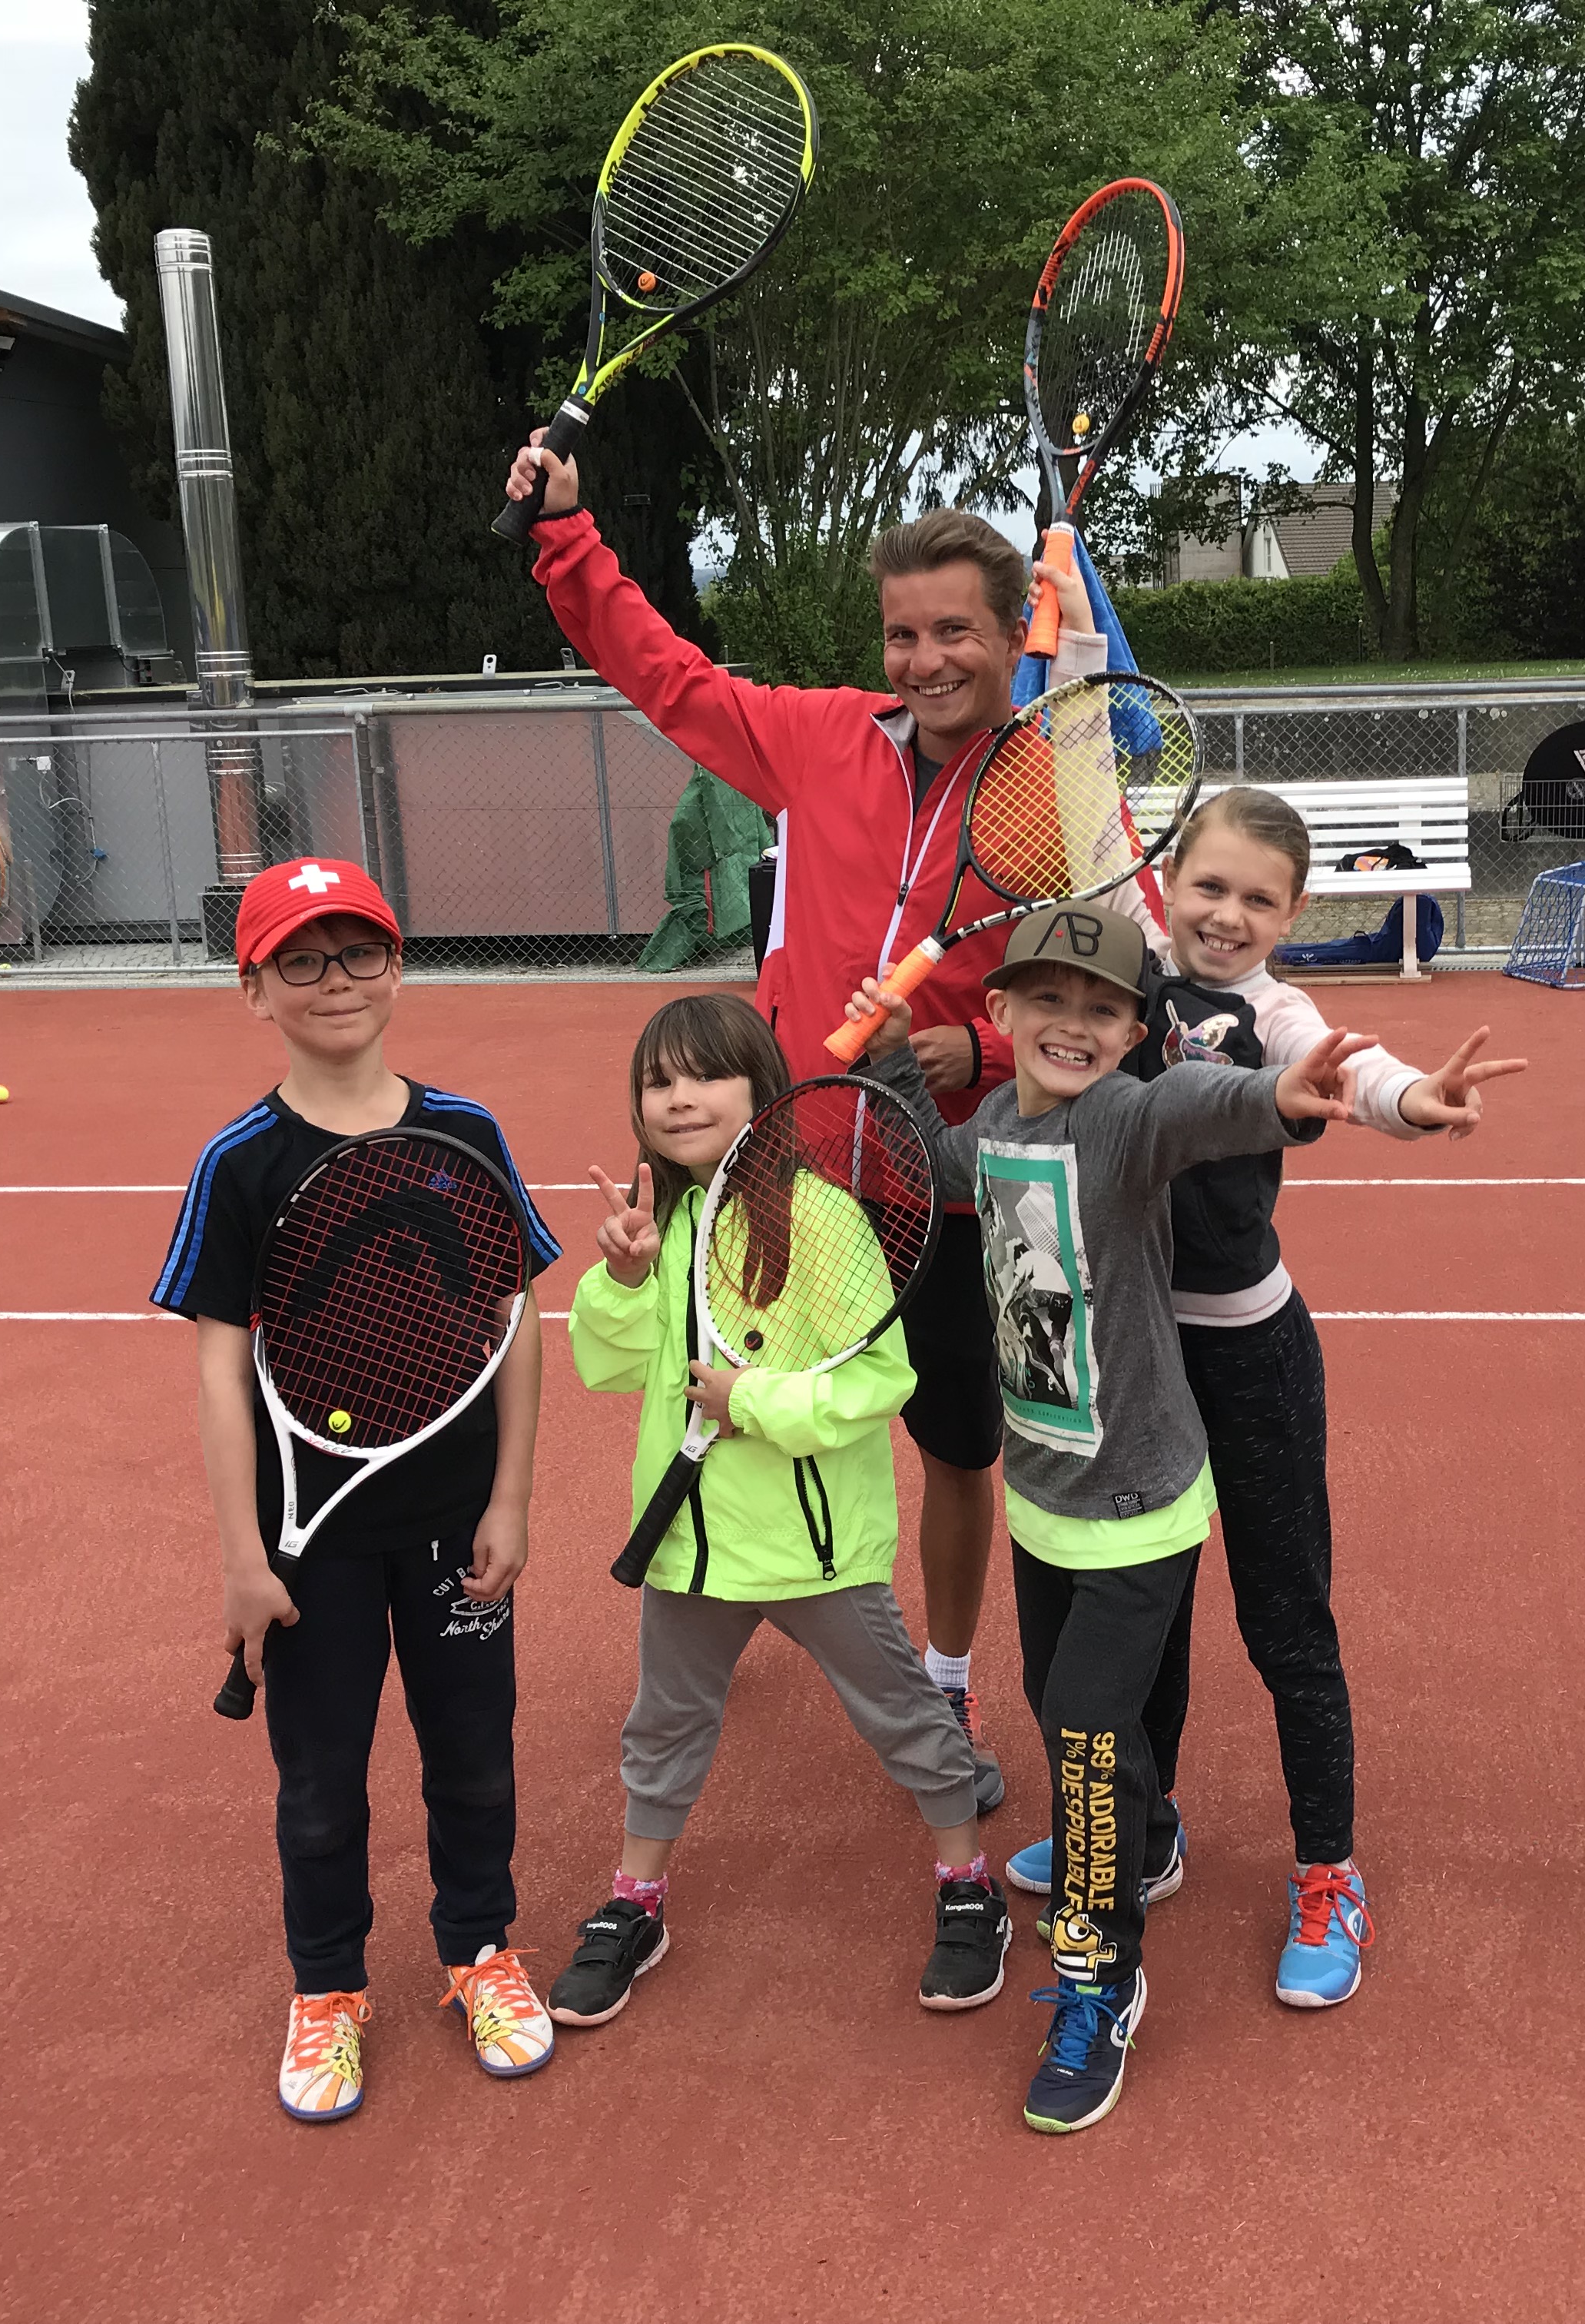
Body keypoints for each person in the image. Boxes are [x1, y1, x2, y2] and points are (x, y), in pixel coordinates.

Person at [506, 437, 1143, 1798]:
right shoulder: (819, 737)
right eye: (903, 633)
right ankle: (730, 1626)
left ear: (1004, 635)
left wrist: (969, 1043)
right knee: (755, 1410)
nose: (925, 660)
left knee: (967, 1451)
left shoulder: (1048, 779)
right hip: (806, 1181)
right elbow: (667, 678)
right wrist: (568, 535)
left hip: (965, 1184)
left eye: (955, 632)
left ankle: (952, 1680)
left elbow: (1100, 966)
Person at [996, 785, 1524, 2009]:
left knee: (1287, 1623)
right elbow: (1044, 1004)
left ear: (1292, 915)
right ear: (1166, 881)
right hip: (1129, 1365)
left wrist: (1411, 1103)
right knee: (1151, 1623)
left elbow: (1350, 1070)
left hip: (1248, 1359)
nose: (1227, 915)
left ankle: (1328, 1870)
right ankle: (1148, 1826)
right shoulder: (1124, 973)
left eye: (1259, 899)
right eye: (1209, 886)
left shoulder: (1277, 1011)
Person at [857, 904, 1371, 2133]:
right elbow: (946, 1168)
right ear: (1001, 1016)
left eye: (1100, 1009)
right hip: (1043, 1502)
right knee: (1067, 1711)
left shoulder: (1129, 1122)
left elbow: (1210, 1110)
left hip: (1141, 1505)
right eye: (1050, 1002)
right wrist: (884, 1046)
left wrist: (1281, 1095)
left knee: (1082, 1738)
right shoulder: (995, 1125)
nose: (1073, 1026)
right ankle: (1143, 1835)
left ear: (1136, 1030)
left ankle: (1100, 1980)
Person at [150, 855, 562, 2122]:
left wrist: (512, 1500)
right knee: (321, 1780)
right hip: (307, 1541)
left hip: (454, 1530)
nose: (337, 982)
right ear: (255, 988)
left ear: (399, 966)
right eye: (303, 960)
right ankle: (325, 1988)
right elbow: (222, 1373)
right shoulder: (241, 1163)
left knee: (475, 1760)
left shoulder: (466, 1134)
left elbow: (514, 1325)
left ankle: (480, 1951)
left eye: (360, 952)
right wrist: (240, 1553)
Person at [551, 994, 1014, 2028]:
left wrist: (749, 1402)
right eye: (657, 1082)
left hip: (817, 1555)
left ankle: (965, 1883)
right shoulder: (664, 1222)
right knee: (663, 1727)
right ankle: (637, 1899)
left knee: (907, 1721)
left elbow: (875, 1384)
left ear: (761, 1091)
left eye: (702, 1078)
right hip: (691, 1549)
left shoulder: (820, 1216)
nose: (676, 1100)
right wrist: (622, 1282)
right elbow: (617, 1368)